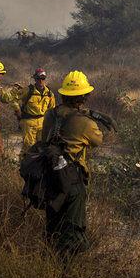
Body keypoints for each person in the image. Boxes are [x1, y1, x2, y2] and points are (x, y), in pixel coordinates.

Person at [40, 70, 104, 257]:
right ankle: (68, 272)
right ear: (83, 96)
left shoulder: (50, 115)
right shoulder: (84, 122)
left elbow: (45, 139)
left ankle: (50, 262)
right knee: (73, 230)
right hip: (72, 179)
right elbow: (97, 140)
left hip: (50, 175)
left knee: (53, 226)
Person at [15, 68, 56, 155]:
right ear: (35, 79)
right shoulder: (28, 90)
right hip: (28, 122)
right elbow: (13, 99)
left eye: (43, 78)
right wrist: (18, 111)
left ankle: (38, 167)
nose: (41, 81)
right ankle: (23, 166)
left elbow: (52, 109)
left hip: (42, 122)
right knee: (28, 146)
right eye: (38, 79)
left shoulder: (49, 93)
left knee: (42, 147)